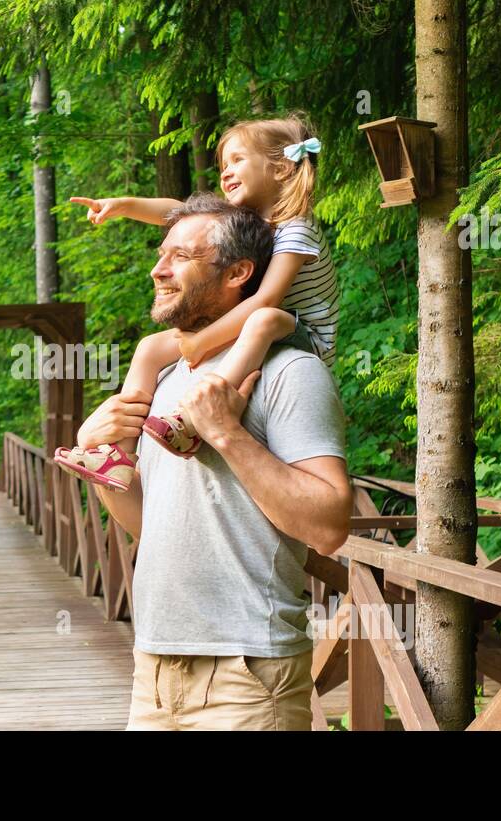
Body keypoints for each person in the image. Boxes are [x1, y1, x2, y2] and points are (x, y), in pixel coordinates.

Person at [74, 194, 352, 730]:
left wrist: (226, 433)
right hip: (153, 665)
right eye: (161, 253)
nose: (158, 269)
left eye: (181, 256)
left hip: (247, 674)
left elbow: (329, 526)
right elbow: (149, 526)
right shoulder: (167, 379)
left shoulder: (290, 372)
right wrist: (100, 463)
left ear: (238, 272)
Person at [55, 114, 339, 491]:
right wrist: (124, 204)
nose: (226, 172)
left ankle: (192, 420)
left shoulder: (296, 228)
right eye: (223, 164)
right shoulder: (249, 221)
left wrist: (200, 343)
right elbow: (178, 209)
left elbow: (268, 299)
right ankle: (118, 456)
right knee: (149, 348)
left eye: (237, 160)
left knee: (264, 319)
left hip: (304, 332)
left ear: (282, 168)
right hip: (266, 319)